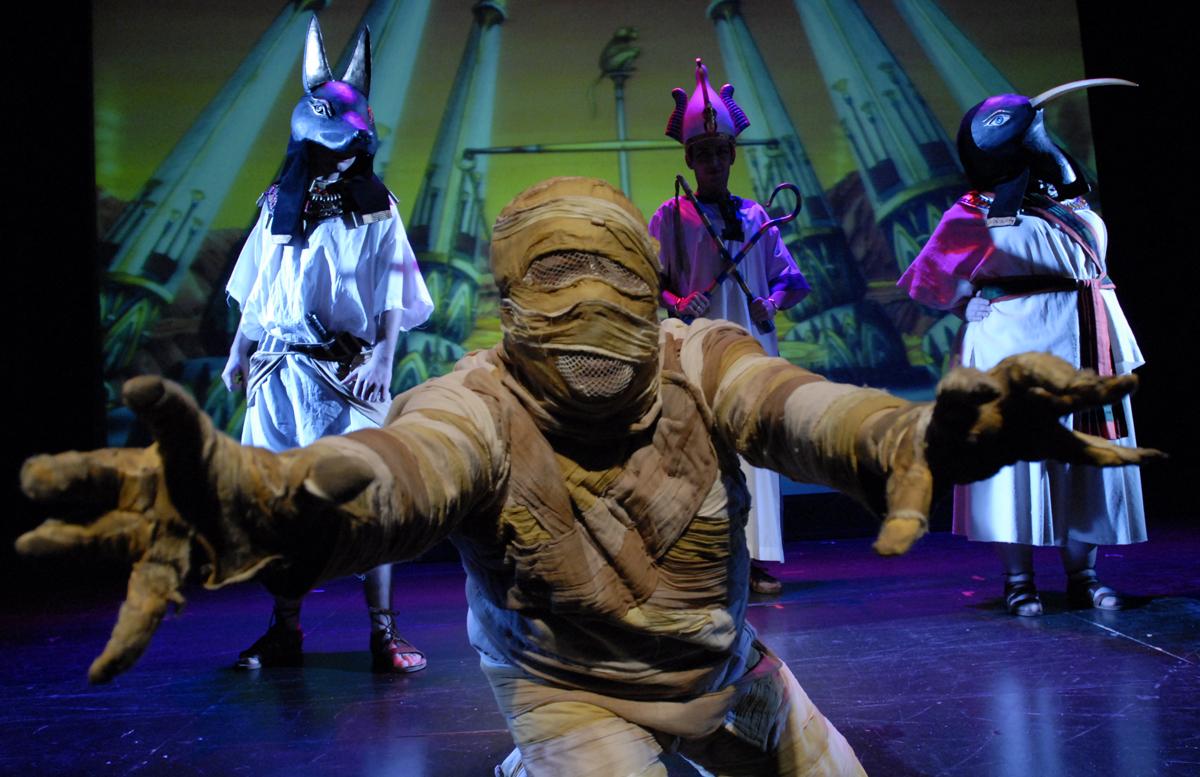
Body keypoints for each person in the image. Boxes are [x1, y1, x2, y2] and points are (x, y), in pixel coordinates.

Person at [19, 175, 1157, 776]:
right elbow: (386, 471)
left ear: (648, 284)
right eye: (555, 279)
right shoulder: (475, 400)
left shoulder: (701, 354)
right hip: (569, 686)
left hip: (727, 665)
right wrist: (258, 499)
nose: (585, 311)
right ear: (509, 305)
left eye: (605, 274)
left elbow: (815, 413)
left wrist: (921, 441)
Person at [220, 18, 434, 669]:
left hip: (346, 375)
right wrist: (239, 349)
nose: (338, 151)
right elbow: (261, 288)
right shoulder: (276, 202)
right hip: (279, 376)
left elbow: (395, 291)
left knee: (370, 501)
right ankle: (285, 627)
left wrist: (382, 354)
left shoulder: (377, 206)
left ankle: (384, 631)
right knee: (277, 508)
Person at [898, 80, 1146, 616]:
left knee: (1086, 457)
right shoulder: (975, 209)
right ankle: (1019, 580)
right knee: (1019, 463)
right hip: (1018, 343)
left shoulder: (1067, 199)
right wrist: (964, 304)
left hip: (1084, 334)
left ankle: (1085, 575)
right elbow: (925, 281)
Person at [649, 59, 811, 595]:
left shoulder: (758, 216)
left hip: (752, 347)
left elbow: (793, 281)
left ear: (732, 156)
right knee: (703, 449)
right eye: (704, 154)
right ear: (690, 159)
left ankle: (757, 558)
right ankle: (710, 559)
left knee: (754, 448)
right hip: (697, 350)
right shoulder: (670, 215)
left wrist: (771, 301)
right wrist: (678, 299)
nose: (714, 162)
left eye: (722, 153)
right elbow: (652, 283)